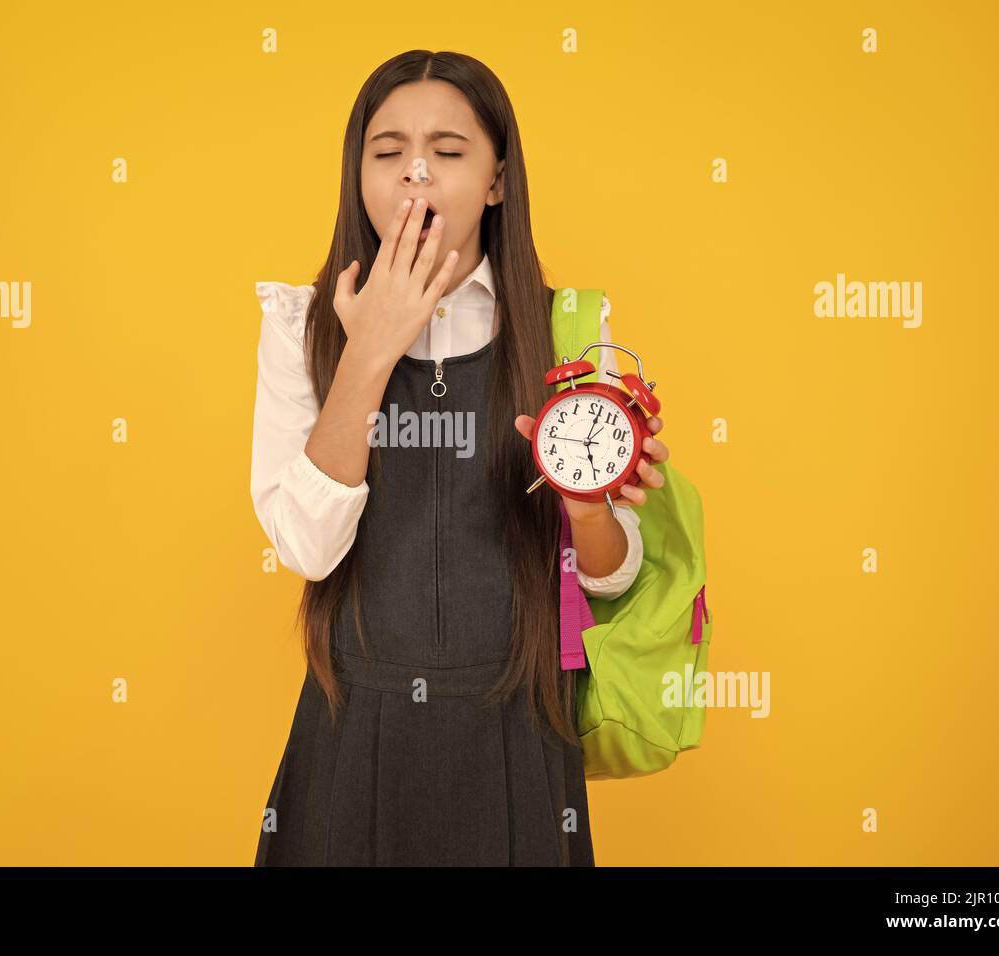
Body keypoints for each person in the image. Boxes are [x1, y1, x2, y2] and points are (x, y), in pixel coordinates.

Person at [249, 49, 670, 866]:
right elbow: (305, 548)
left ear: (497, 180)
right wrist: (369, 350)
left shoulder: (571, 328)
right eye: (387, 152)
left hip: (518, 729)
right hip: (353, 732)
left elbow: (614, 576)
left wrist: (588, 506)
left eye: (447, 152)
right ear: (358, 173)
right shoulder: (299, 325)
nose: (415, 175)